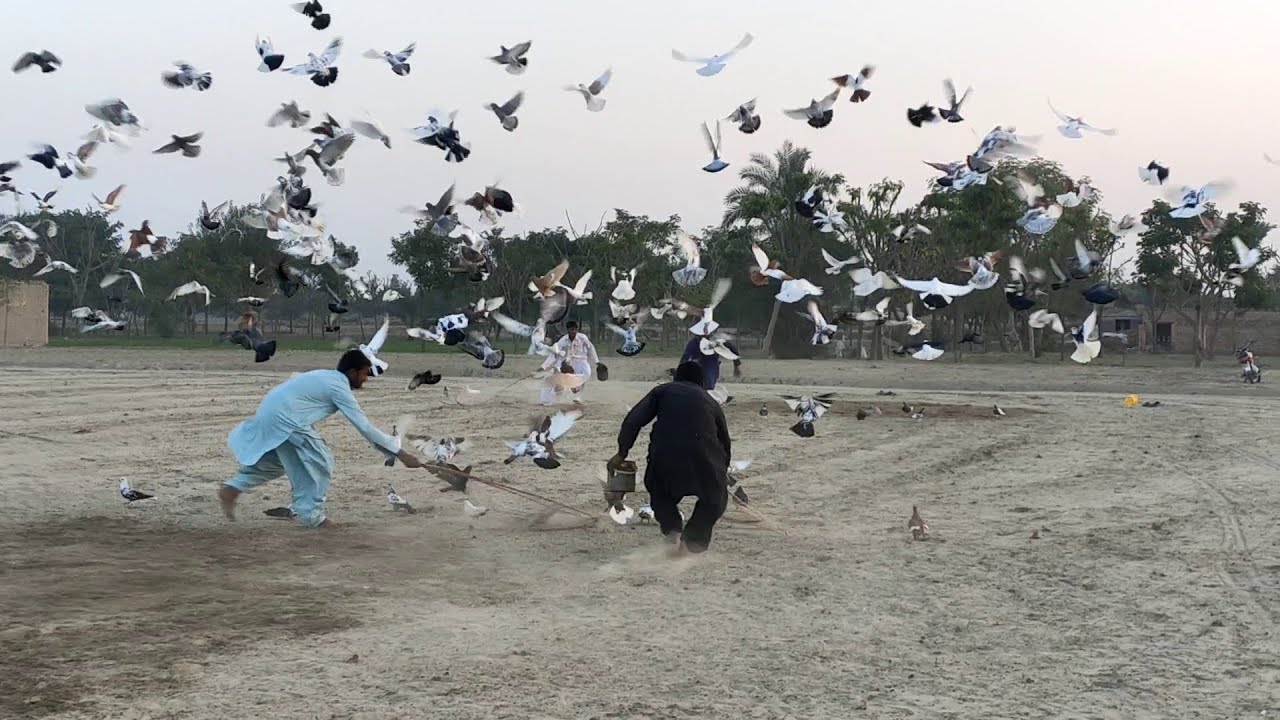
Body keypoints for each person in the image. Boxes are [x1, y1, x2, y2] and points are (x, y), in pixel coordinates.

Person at [217, 349, 424, 527]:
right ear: (352, 372)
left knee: (279, 462)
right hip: (287, 420)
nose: (366, 379)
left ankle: (234, 487)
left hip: (271, 414)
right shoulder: (338, 387)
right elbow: (364, 427)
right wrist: (401, 454)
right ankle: (311, 516)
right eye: (364, 373)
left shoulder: (326, 376)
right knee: (321, 461)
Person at [609, 361, 731, 554]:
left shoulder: (662, 391)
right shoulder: (711, 402)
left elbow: (633, 420)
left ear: (676, 378)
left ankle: (673, 531)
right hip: (704, 459)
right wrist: (722, 472)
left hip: (665, 457)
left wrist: (622, 451)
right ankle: (692, 543)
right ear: (701, 382)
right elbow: (725, 441)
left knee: (659, 491)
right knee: (714, 500)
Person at [539, 320, 602, 405]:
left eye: (575, 329)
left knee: (587, 373)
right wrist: (544, 366)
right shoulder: (563, 340)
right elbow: (554, 354)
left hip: (581, 361)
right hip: (566, 363)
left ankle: (576, 394)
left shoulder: (583, 338)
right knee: (549, 377)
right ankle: (546, 400)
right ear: (568, 330)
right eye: (571, 329)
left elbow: (591, 348)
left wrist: (597, 362)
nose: (574, 332)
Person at [679, 330, 742, 395]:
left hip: (711, 367)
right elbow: (685, 357)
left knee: (708, 386)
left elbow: (732, 349)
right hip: (696, 367)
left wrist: (736, 366)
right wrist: (680, 370)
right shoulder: (693, 343)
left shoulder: (716, 341)